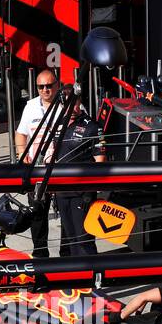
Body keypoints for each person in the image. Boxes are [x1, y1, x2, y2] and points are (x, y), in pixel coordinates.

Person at [15, 67, 64, 257]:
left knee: (65, 215)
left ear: (57, 85)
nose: (45, 90)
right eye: (41, 86)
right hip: (37, 169)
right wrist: (21, 152)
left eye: (49, 86)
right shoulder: (31, 106)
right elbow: (21, 133)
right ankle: (40, 254)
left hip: (61, 169)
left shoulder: (68, 105)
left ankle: (66, 255)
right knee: (38, 214)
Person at [53, 104, 106, 256]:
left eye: (74, 103)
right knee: (70, 239)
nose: (71, 108)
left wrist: (90, 191)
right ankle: (74, 275)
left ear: (79, 103)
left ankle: (91, 274)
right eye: (67, 104)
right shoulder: (58, 123)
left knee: (84, 240)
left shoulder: (92, 127)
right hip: (62, 192)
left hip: (82, 194)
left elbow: (100, 161)